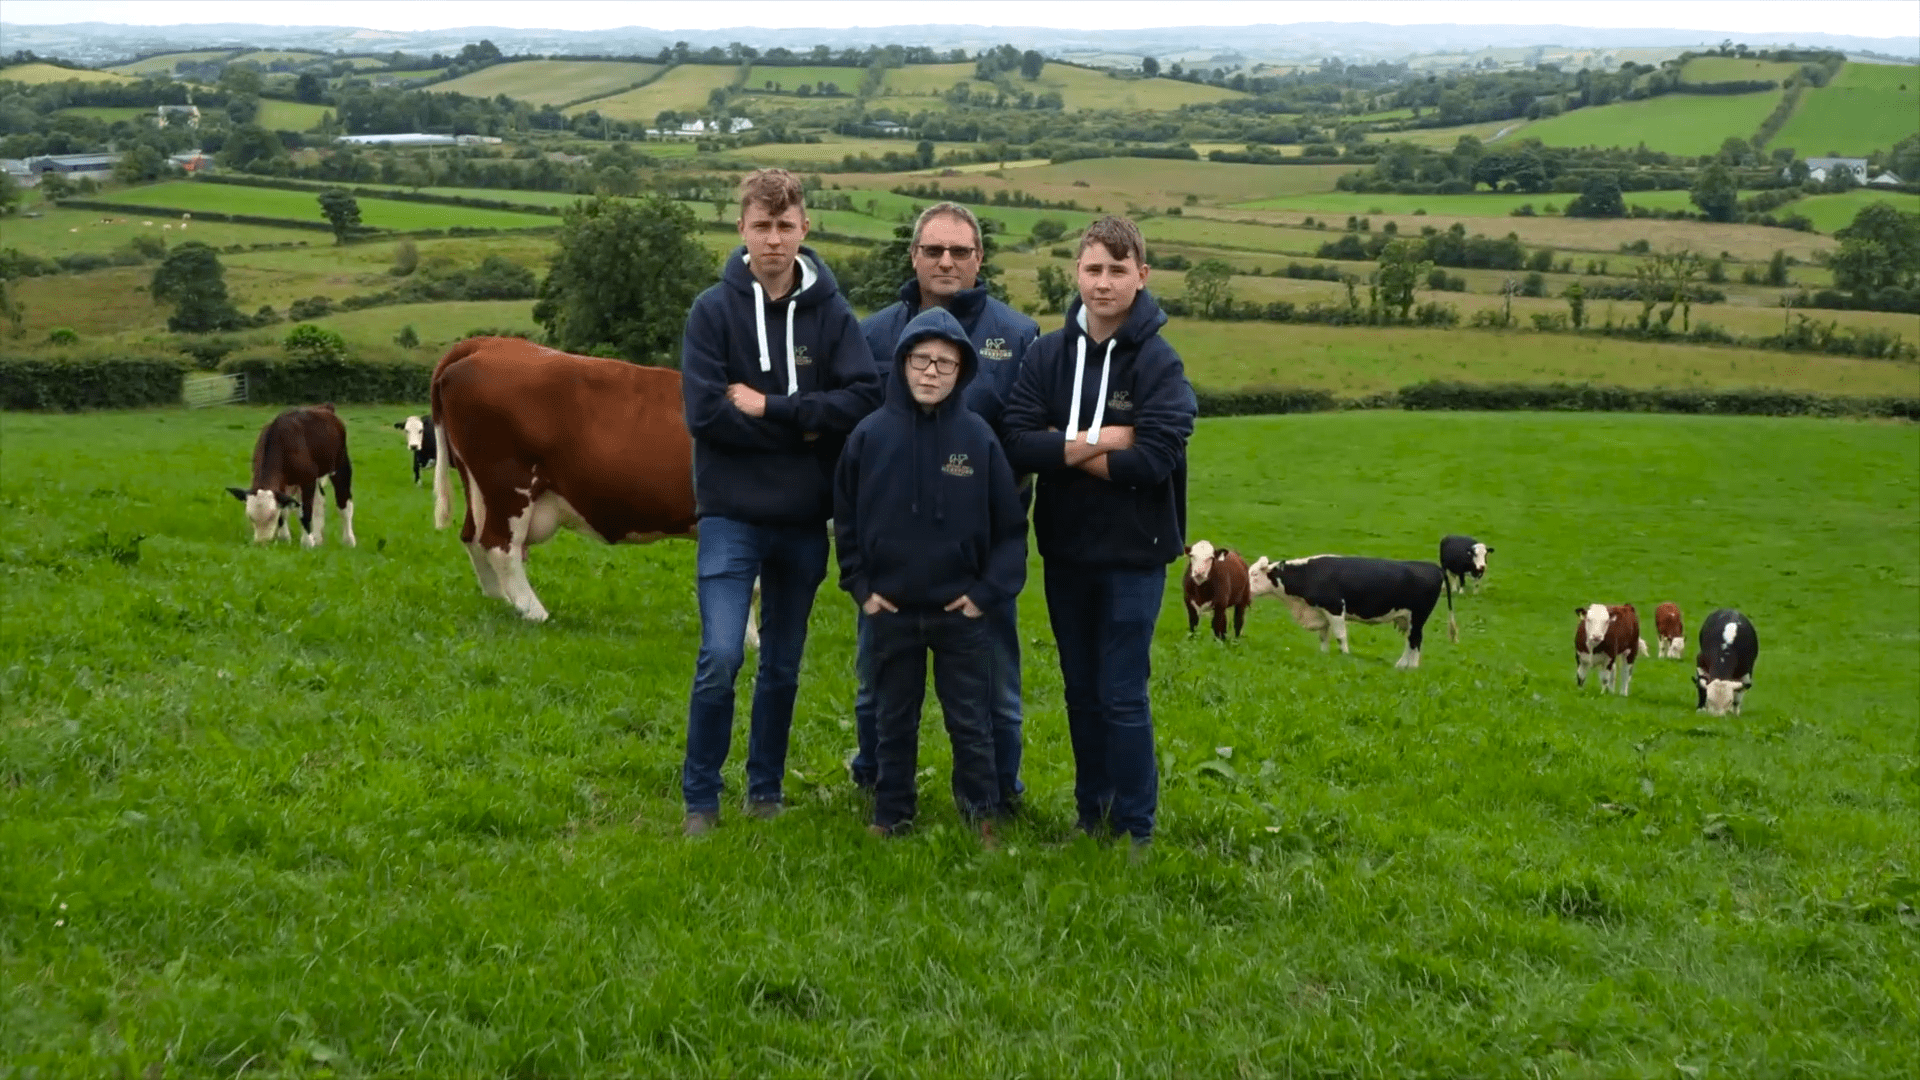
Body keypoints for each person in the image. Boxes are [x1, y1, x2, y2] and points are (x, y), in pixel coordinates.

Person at [679, 168, 882, 836]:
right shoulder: (712, 311)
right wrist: (806, 431)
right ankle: (700, 798)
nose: (773, 240)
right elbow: (706, 416)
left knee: (784, 663)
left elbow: (863, 398)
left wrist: (774, 408)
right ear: (741, 228)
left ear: (805, 228)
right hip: (730, 516)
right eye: (761, 226)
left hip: (802, 521)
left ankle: (763, 789)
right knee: (722, 656)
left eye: (785, 226)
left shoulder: (831, 313)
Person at [1000, 215, 1195, 850]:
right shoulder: (1047, 355)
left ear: (1142, 276)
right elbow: (1018, 443)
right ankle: (1092, 817)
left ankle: (1136, 828)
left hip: (1136, 557)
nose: (1104, 282)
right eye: (1093, 269)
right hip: (1066, 551)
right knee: (1081, 692)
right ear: (1075, 274)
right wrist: (1105, 438)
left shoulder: (1160, 363)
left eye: (1117, 270)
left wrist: (1065, 448)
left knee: (1121, 692)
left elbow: (1154, 460)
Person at [852, 202, 1040, 809]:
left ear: (979, 259)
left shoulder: (1017, 336)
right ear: (914, 256)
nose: (946, 262)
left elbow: (1024, 439)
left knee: (995, 689)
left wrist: (993, 569)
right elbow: (858, 445)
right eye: (933, 250)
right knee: (875, 682)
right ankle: (877, 781)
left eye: (960, 251)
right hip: (894, 558)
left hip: (978, 557)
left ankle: (998, 794)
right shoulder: (875, 334)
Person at [835, 308, 1027, 840]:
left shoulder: (980, 439)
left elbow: (1010, 530)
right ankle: (892, 812)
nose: (931, 372)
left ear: (962, 369)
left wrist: (984, 595)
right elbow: (846, 518)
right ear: (901, 363)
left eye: (945, 362)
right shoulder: (869, 436)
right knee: (893, 720)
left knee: (971, 721)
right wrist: (861, 587)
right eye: (921, 359)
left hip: (960, 613)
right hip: (890, 611)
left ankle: (980, 813)